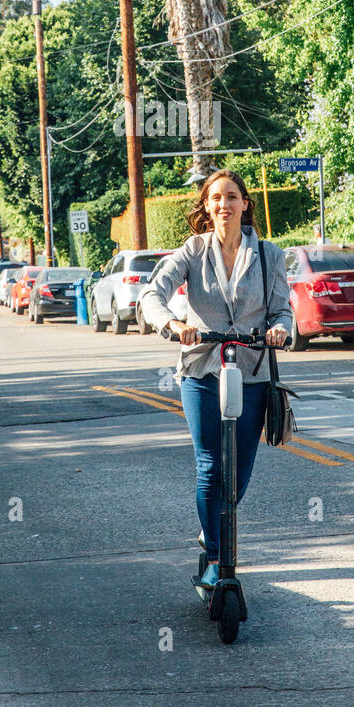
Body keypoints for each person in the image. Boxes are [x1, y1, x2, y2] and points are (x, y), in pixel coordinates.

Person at [139, 170, 292, 589]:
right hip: (201, 369)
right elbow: (152, 293)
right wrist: (172, 322)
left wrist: (280, 329)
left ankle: (212, 532)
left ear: (245, 203)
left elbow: (282, 309)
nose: (224, 204)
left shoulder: (269, 255)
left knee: (238, 471)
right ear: (206, 207)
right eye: (215, 198)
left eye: (231, 196)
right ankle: (217, 561)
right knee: (210, 466)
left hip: (253, 371)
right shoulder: (192, 250)